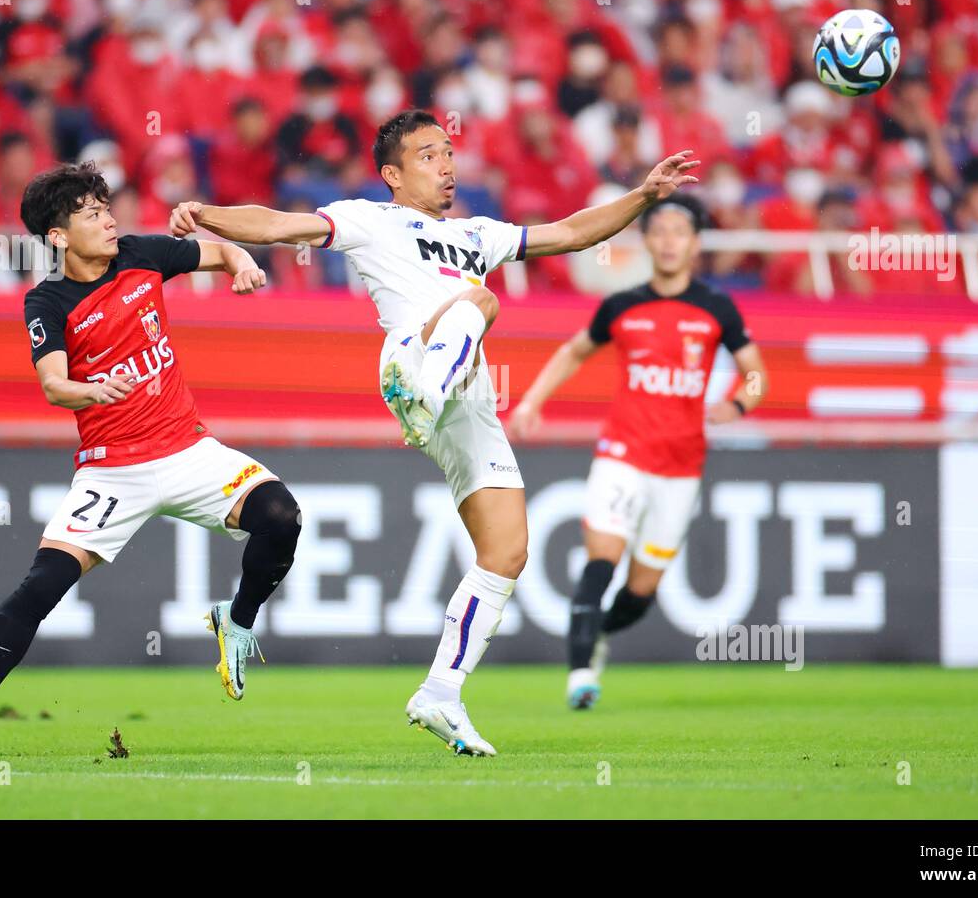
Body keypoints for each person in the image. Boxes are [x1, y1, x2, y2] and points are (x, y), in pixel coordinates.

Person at [169, 109, 699, 756]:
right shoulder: (372, 219)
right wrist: (207, 214)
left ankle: (441, 693)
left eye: (448, 152)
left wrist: (643, 196)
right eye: (428, 155)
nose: (446, 165)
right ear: (392, 174)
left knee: (507, 552)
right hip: (410, 361)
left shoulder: (480, 232)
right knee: (483, 301)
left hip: (467, 406)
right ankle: (421, 395)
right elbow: (281, 226)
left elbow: (566, 233)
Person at [0, 161, 301, 762]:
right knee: (40, 588)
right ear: (58, 236)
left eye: (106, 206)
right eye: (91, 212)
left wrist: (241, 261)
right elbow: (53, 384)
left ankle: (237, 620)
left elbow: (214, 252)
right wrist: (88, 390)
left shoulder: (141, 255)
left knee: (282, 515)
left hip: (186, 448)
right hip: (111, 469)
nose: (108, 219)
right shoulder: (47, 301)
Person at [508, 194, 767, 709]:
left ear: (695, 244)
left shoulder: (716, 308)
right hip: (622, 456)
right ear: (646, 240)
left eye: (680, 231)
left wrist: (738, 403)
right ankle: (581, 673)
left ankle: (597, 636)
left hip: (681, 468)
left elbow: (756, 372)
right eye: (660, 230)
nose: (669, 240)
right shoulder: (623, 306)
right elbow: (573, 351)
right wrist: (532, 401)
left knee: (640, 594)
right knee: (600, 563)